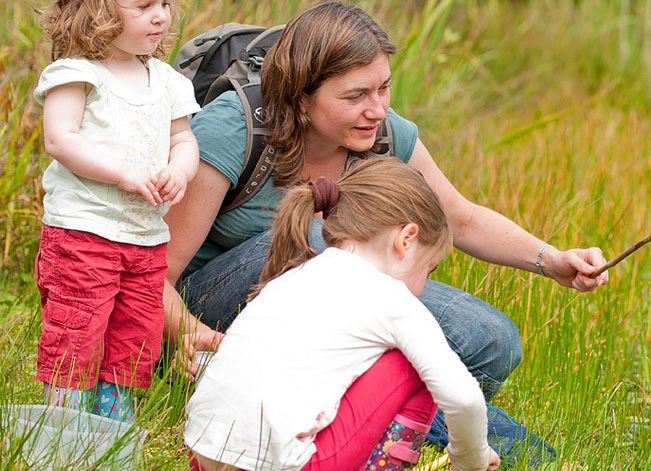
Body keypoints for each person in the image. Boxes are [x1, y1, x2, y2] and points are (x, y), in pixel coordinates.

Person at [165, 1, 608, 402]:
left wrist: (551, 261)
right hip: (210, 308)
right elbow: (154, 271)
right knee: (319, 241)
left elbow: (463, 219)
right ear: (301, 98)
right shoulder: (235, 130)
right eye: (356, 95)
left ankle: (370, 406)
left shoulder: (385, 133)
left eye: (383, 88)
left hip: (334, 309)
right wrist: (191, 335)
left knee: (490, 339)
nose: (377, 109)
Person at [185, 158, 500, 471]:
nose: (422, 285)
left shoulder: (293, 276)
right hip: (291, 465)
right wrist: (472, 460)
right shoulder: (393, 300)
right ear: (406, 239)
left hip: (203, 455)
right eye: (428, 268)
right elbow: (464, 398)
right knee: (415, 364)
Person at [33, 0, 200, 422]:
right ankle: (65, 423)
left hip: (145, 240)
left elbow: (183, 140)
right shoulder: (78, 73)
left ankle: (111, 425)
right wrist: (123, 173)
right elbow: (61, 138)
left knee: (136, 335)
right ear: (96, 12)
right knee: (78, 329)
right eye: (143, 5)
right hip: (84, 233)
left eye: (165, 4)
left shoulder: (167, 82)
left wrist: (180, 168)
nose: (161, 15)